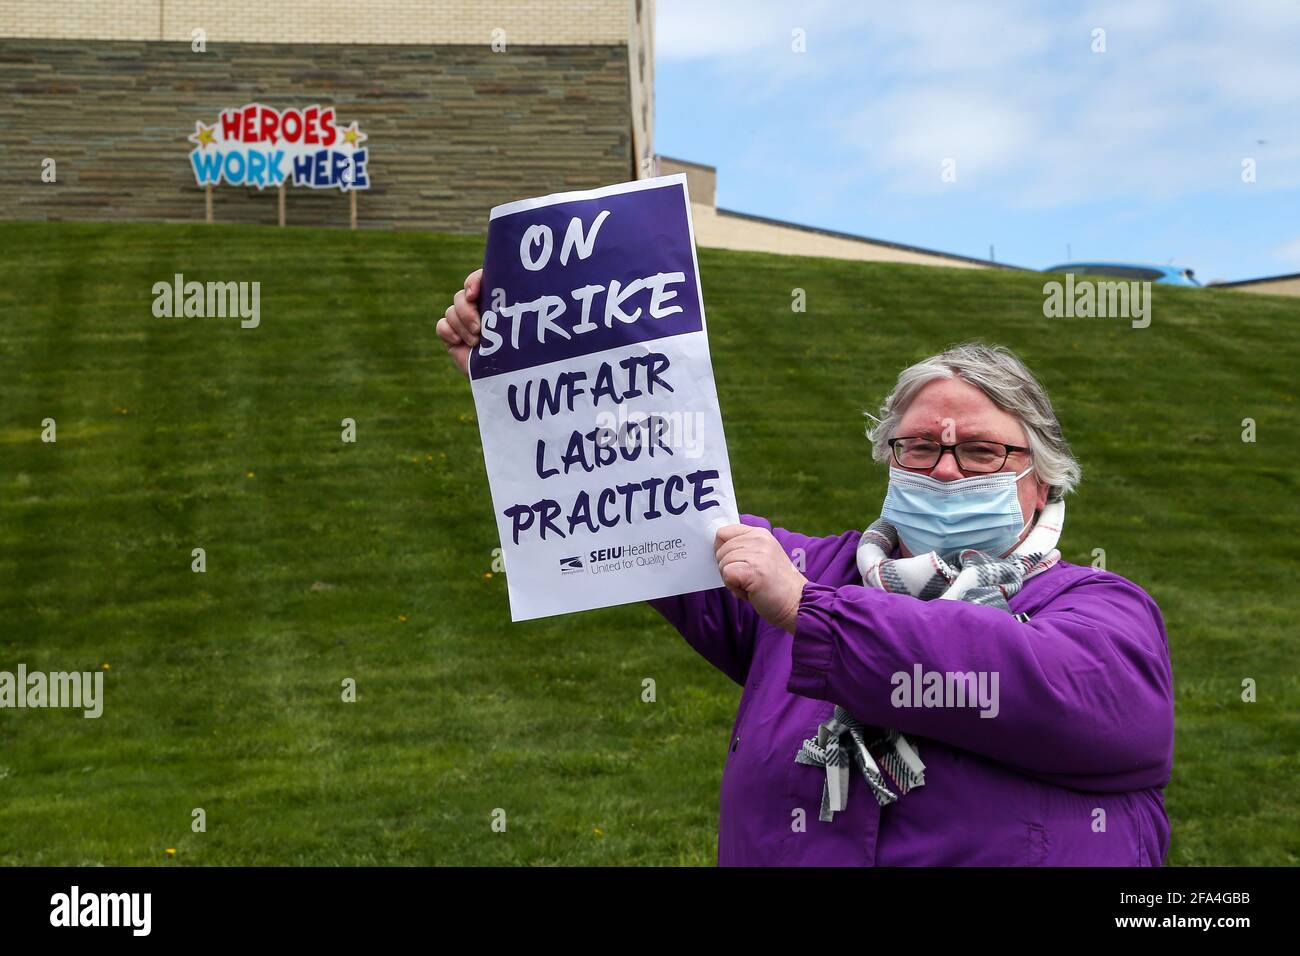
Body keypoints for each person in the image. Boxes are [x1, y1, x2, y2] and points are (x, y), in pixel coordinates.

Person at [438, 269, 1174, 866]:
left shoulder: (1100, 609)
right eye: (919, 447)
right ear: (889, 461)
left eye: (981, 452)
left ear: (1041, 478)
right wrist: (521, 381)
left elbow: (1047, 687)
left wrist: (811, 612)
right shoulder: (803, 570)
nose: (946, 470)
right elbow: (646, 501)